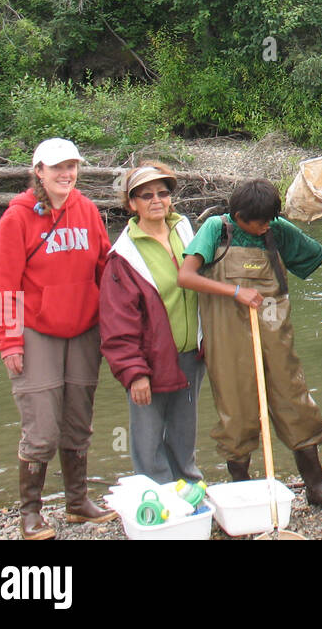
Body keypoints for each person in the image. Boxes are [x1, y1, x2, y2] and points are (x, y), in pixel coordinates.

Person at [176, 178, 322, 509]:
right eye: (258, 223)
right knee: (236, 411)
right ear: (239, 216)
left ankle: (316, 485)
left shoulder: (275, 228)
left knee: (295, 401)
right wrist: (235, 291)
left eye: (269, 220)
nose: (265, 227)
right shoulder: (217, 229)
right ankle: (243, 494)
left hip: (274, 330)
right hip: (227, 335)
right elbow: (186, 276)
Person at [0, 137, 117, 540]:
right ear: (39, 172)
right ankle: (30, 512)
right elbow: (4, 286)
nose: (66, 174)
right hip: (36, 332)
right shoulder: (17, 218)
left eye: (71, 166)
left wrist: (116, 323)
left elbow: (105, 268)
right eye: (57, 167)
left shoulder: (87, 210)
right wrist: (9, 341)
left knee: (78, 422)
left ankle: (77, 502)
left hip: (84, 330)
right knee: (42, 429)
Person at [100, 164, 205, 484]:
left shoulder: (185, 231)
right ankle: (157, 497)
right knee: (148, 439)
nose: (156, 200)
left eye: (163, 193)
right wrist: (135, 374)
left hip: (191, 356)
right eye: (146, 195)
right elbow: (117, 324)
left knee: (184, 433)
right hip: (150, 360)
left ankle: (189, 491)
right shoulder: (122, 256)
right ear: (132, 203)